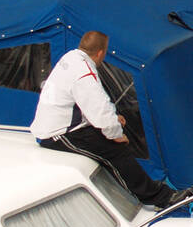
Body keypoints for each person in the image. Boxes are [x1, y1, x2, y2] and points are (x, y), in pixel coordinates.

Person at [32, 31, 183, 208]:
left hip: (58, 125)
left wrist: (114, 119)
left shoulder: (70, 58)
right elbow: (101, 112)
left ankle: (138, 191)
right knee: (116, 151)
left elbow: (89, 104)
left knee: (109, 136)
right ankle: (158, 198)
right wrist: (116, 134)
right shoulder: (85, 73)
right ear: (101, 53)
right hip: (59, 134)